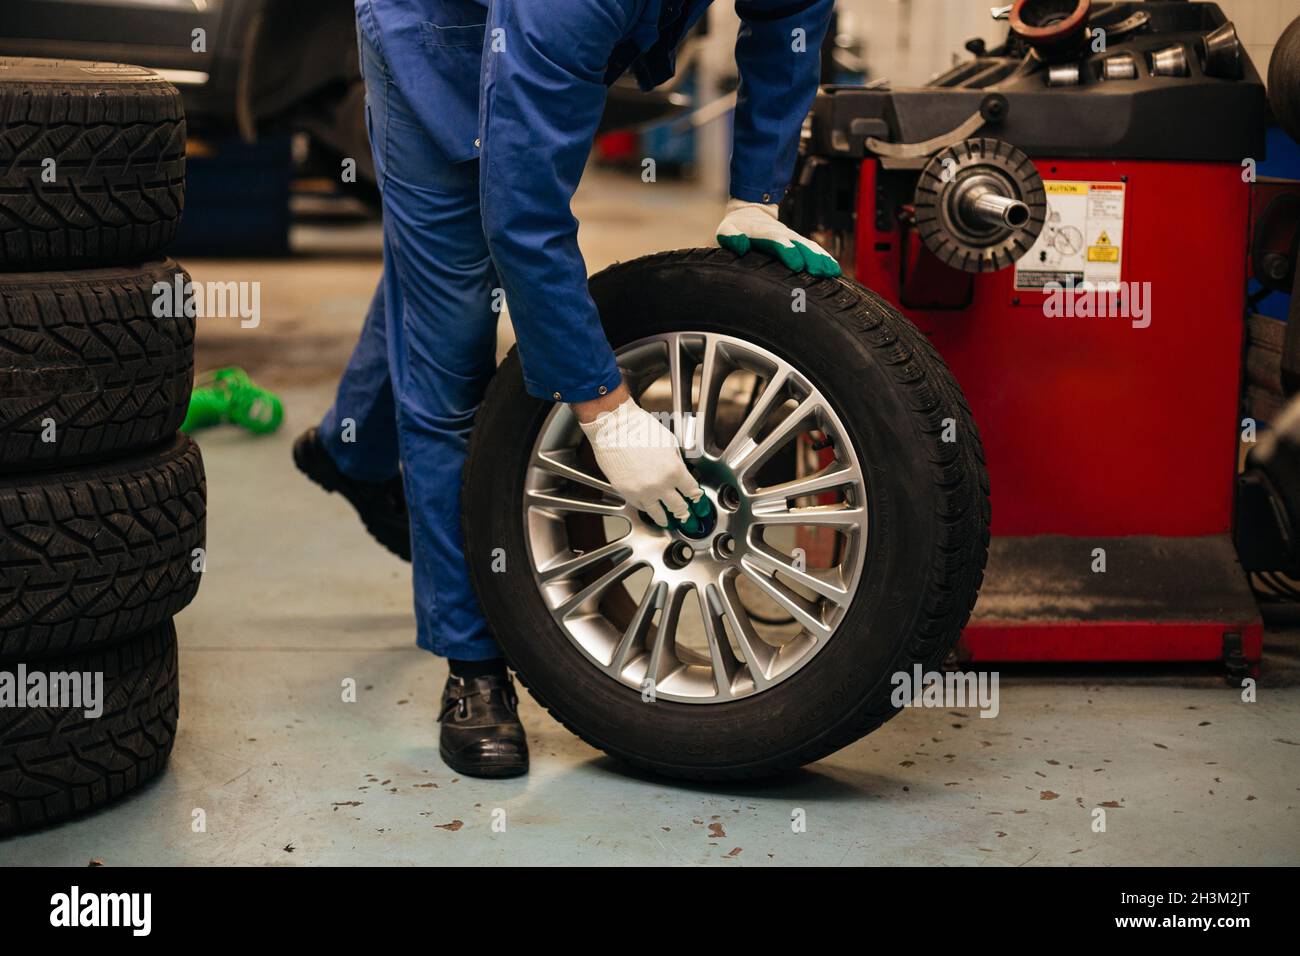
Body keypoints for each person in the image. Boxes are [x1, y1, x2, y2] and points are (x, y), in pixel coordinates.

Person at [294, 0, 839, 778]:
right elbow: (523, 217)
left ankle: (352, 448)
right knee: (453, 343)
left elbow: (787, 22)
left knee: (443, 258)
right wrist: (607, 412)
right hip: (432, 44)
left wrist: (757, 194)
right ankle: (472, 669)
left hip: (540, 31)